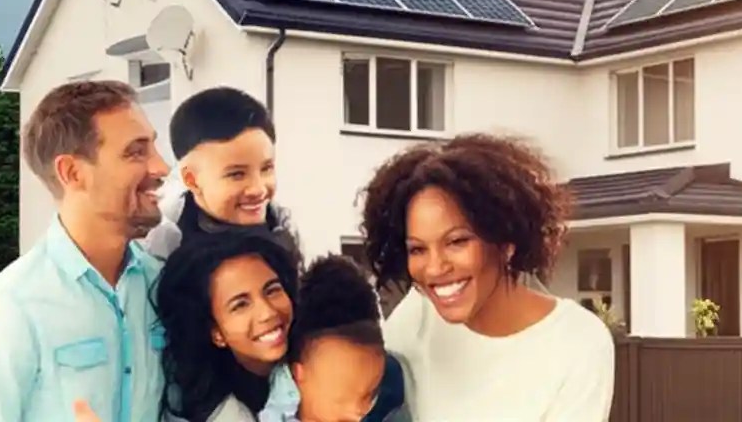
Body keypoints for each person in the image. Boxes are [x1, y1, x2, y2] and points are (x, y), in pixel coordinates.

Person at [359, 133, 615, 422]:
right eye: (417, 249)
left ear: (505, 242)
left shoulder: (577, 341)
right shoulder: (415, 317)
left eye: (457, 242)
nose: (434, 268)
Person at [0, 80, 170, 421]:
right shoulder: (10, 308)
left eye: (152, 147)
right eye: (136, 152)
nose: (161, 167)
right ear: (72, 172)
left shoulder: (163, 286)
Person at [155, 228, 301, 421]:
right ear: (215, 332)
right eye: (241, 305)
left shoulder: (321, 356)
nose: (267, 312)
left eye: (272, 290)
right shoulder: (220, 413)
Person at [143, 86, 299, 260]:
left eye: (266, 168)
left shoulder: (280, 225)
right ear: (192, 180)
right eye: (237, 174)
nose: (258, 189)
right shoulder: (167, 247)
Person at [279, 255, 406, 422]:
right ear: (297, 375)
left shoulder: (389, 394)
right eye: (341, 398)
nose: (358, 411)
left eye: (370, 394)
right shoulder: (263, 408)